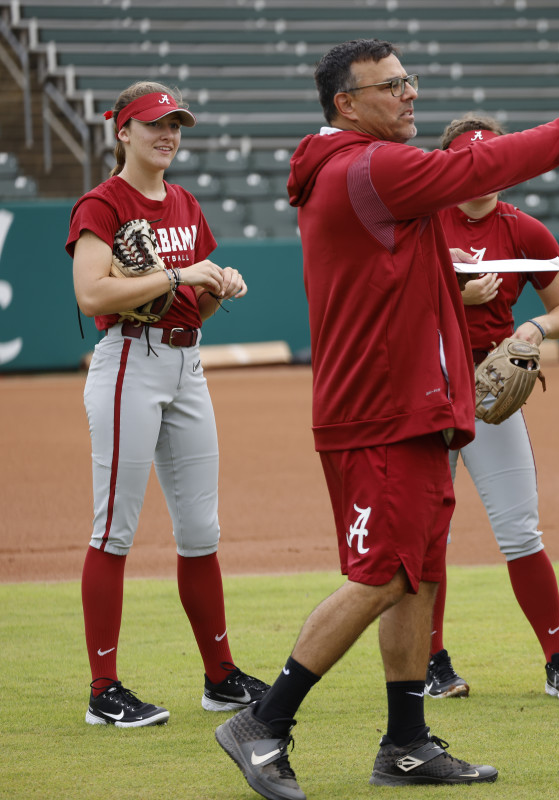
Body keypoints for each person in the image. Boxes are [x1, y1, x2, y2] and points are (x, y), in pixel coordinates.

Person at [213, 38, 559, 800]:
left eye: (410, 80)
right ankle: (263, 723)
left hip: (410, 406)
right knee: (382, 575)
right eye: (391, 85)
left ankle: (406, 742)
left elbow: (396, 273)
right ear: (347, 102)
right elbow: (479, 169)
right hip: (379, 409)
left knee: (417, 577)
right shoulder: (367, 166)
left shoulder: (353, 167)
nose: (409, 95)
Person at [66, 82, 263, 729]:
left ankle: (220, 677)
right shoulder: (103, 203)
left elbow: (190, 305)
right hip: (128, 362)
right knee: (113, 529)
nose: (168, 134)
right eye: (154, 124)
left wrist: (216, 286)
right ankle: (104, 691)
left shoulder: (183, 202)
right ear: (122, 132)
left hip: (186, 360)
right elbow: (93, 294)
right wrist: (183, 274)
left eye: (176, 124)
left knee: (201, 532)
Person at [425, 113, 559, 701]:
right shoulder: (418, 221)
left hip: (491, 388)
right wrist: (455, 291)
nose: (482, 178)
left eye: (492, 163)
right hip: (427, 386)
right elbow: (382, 305)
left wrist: (537, 327)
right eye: (469, 164)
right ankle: (431, 660)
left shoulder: (525, 230)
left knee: (521, 530)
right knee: (428, 536)